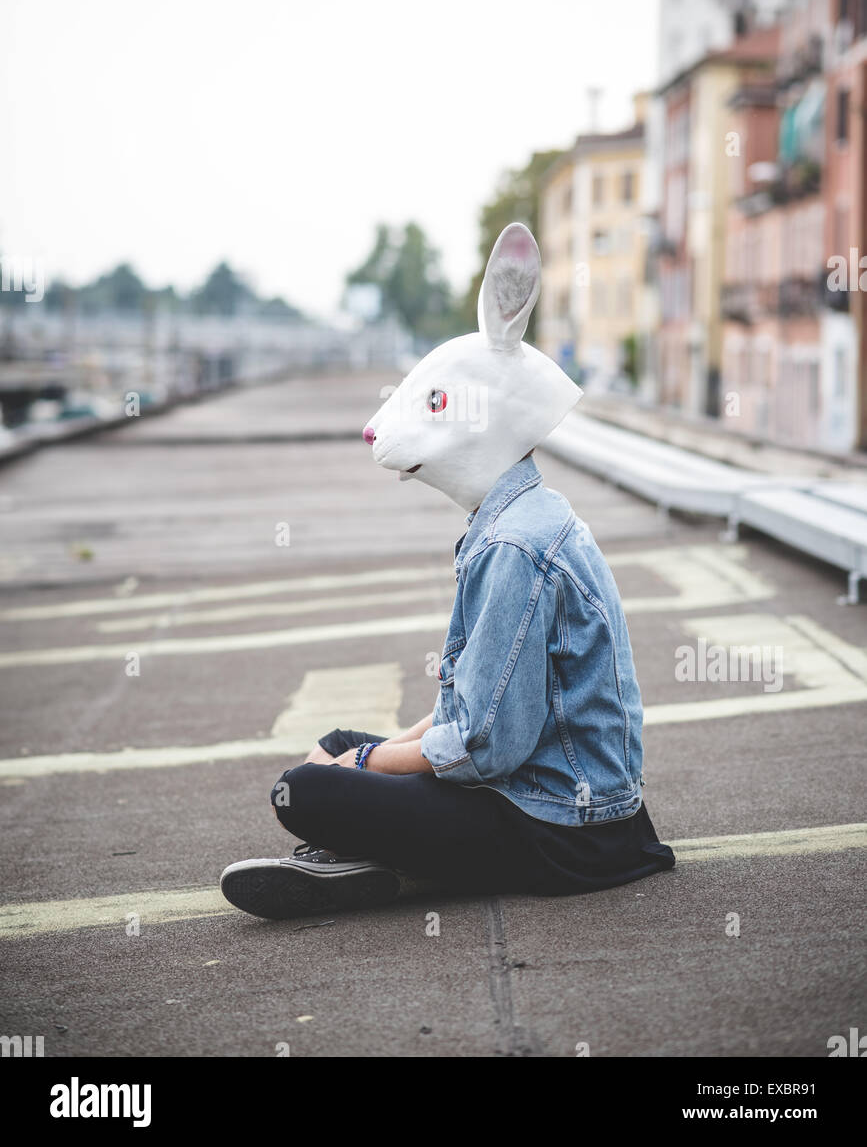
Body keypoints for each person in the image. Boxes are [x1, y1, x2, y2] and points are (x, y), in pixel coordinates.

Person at [220, 225, 675, 920]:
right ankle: (366, 850)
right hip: (566, 808)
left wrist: (363, 770)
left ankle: (369, 855)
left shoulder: (512, 548)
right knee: (337, 750)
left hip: (561, 831)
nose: (378, 430)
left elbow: (481, 745)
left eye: (432, 404)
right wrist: (363, 755)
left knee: (303, 791)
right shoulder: (517, 522)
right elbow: (474, 706)